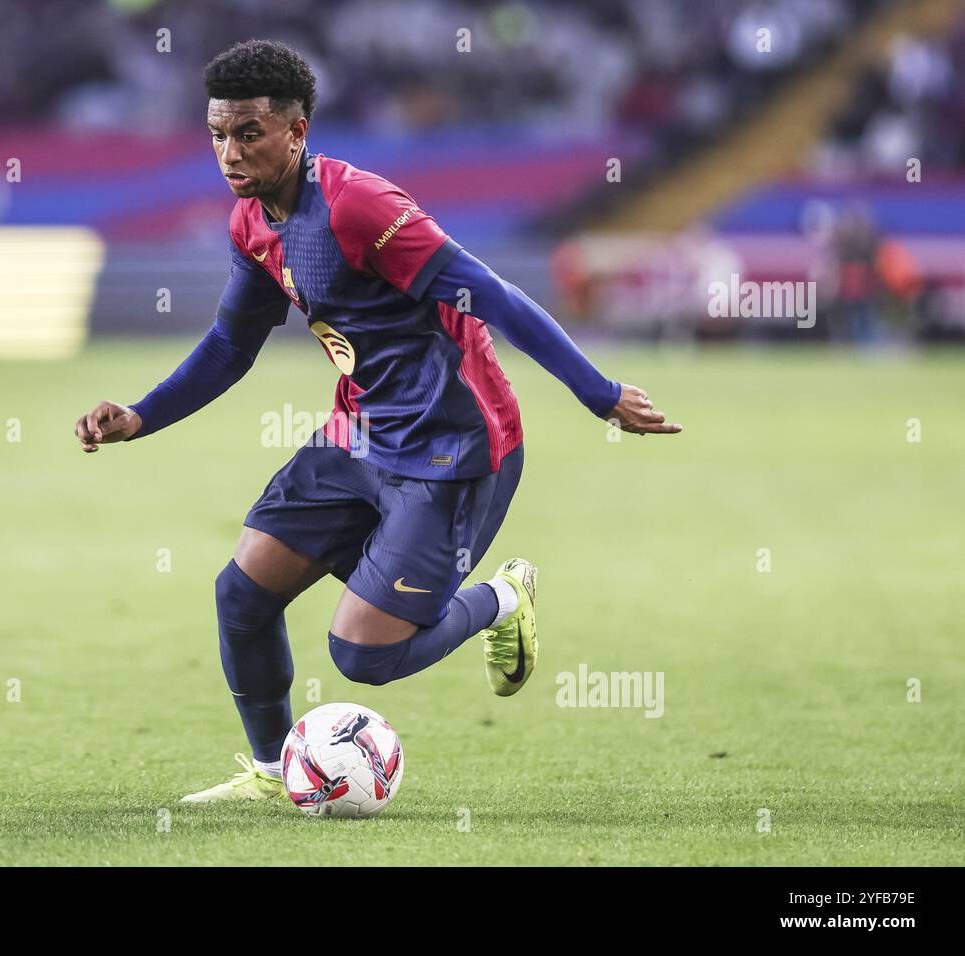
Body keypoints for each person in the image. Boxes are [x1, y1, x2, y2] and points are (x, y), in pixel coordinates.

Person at [74, 40, 681, 803]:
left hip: (452, 449)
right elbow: (232, 344)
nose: (230, 152)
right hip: (358, 436)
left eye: (249, 133)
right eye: (219, 135)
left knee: (360, 655)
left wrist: (598, 392)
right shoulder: (252, 223)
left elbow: (494, 295)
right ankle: (270, 774)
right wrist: (140, 415)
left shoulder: (363, 209)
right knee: (241, 595)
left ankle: (501, 600)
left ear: (296, 132)